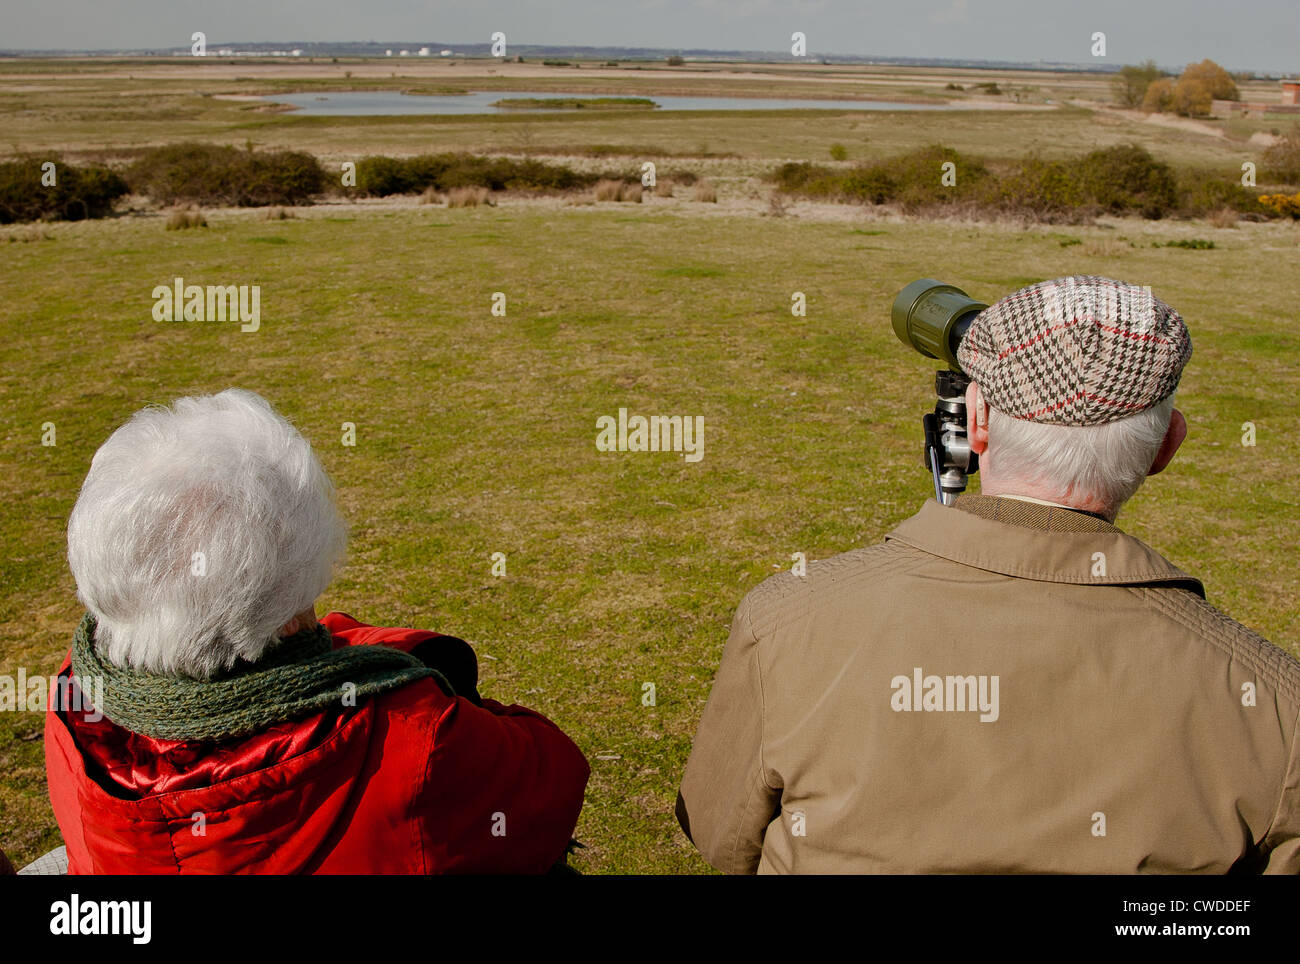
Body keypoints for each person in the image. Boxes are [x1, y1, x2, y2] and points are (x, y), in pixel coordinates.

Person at [677, 275, 1300, 874]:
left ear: (975, 422)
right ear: (1169, 445)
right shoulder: (1277, 704)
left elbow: (724, 839)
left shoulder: (786, 619)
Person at [46, 389, 589, 874]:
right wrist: (399, 669)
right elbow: (552, 781)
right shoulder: (411, 736)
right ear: (283, 603)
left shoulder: (76, 702)